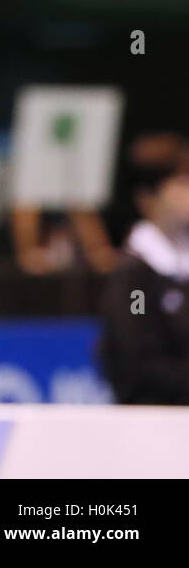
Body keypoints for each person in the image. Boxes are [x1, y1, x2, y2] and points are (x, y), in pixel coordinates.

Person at [99, 138, 189, 405]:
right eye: (181, 185)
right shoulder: (134, 279)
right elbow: (137, 367)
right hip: (151, 424)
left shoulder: (182, 266)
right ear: (146, 199)